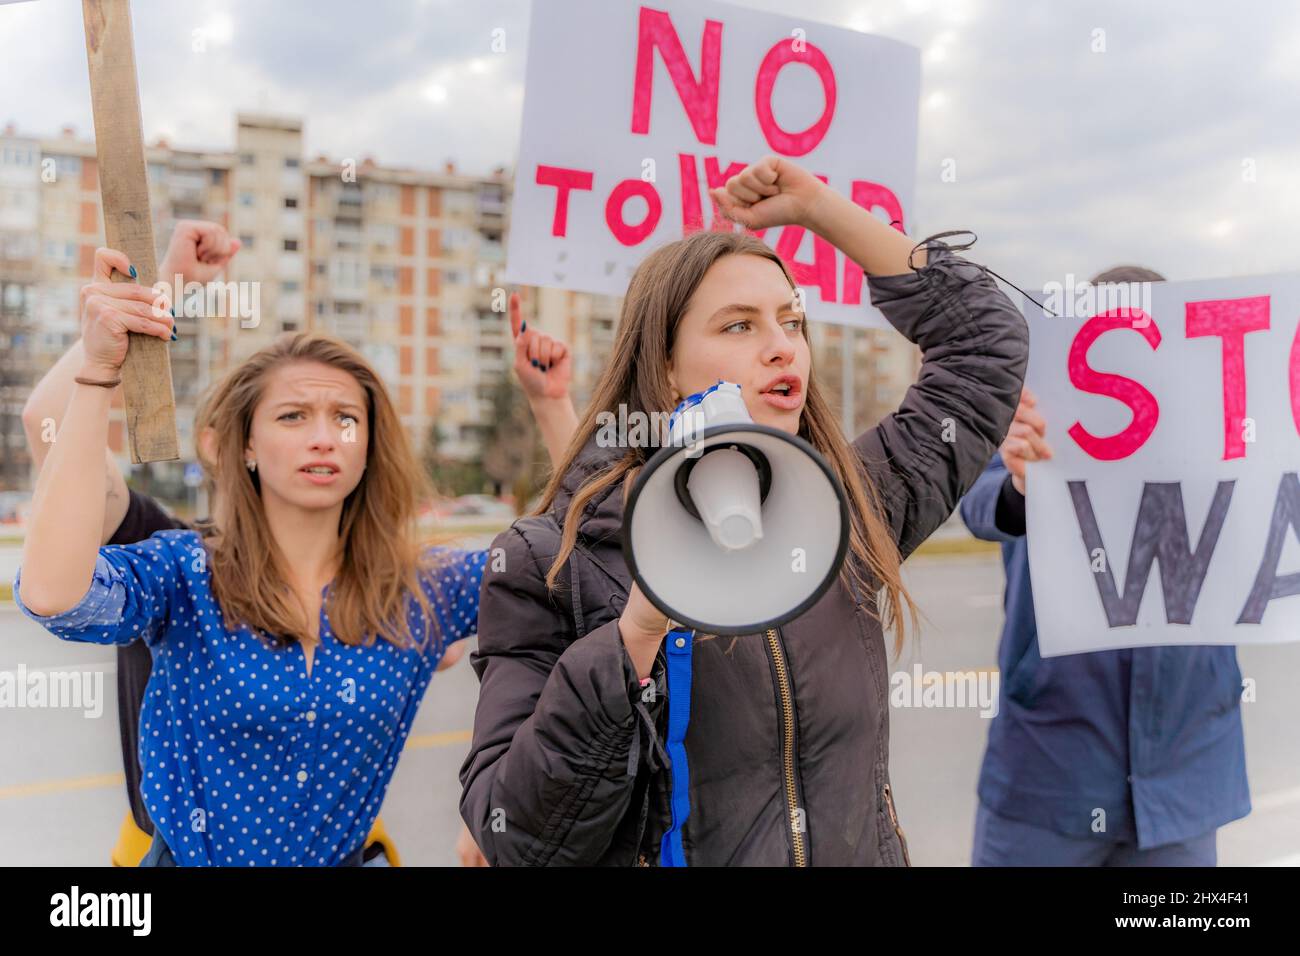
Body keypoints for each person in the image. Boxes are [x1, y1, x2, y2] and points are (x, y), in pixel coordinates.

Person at [460, 154, 1029, 866]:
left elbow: (985, 345)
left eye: (792, 322)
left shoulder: (851, 507)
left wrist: (820, 208)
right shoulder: (548, 563)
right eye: (738, 326)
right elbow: (519, 836)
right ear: (663, 366)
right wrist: (635, 633)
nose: (781, 347)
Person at [14, 244, 575, 866]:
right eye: (292, 415)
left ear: (368, 446)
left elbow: (576, 565)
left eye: (344, 419)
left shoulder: (424, 589)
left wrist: (552, 407)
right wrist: (99, 368)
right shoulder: (184, 571)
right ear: (243, 444)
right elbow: (55, 595)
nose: (321, 437)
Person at [958, 266, 1249, 867]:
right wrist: (1020, 485)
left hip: (1183, 784)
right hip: (1049, 778)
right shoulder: (1032, 417)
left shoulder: (1229, 431)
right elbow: (981, 506)